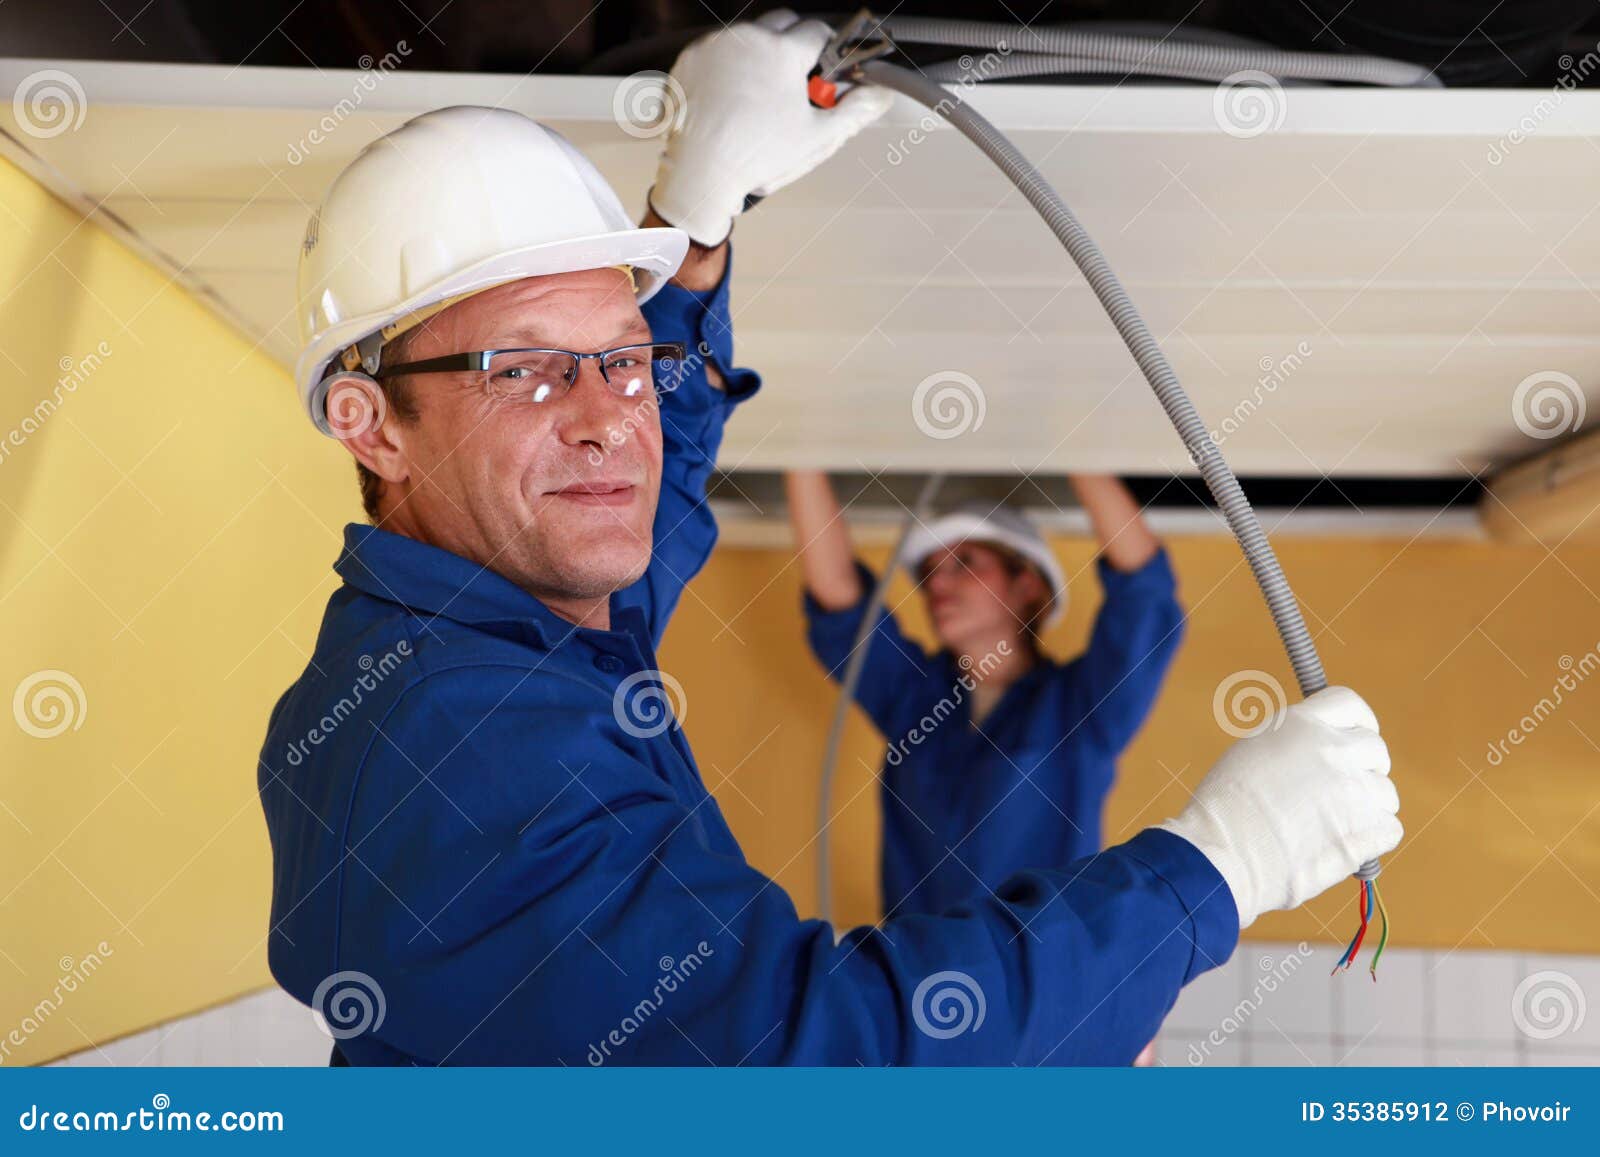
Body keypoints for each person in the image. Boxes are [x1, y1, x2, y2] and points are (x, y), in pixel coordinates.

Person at [257, 12, 1402, 1067]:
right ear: (372, 425)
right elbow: (842, 1069)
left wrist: (691, 220)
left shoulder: (523, 619)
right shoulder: (453, 738)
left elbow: (635, 470)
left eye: (622, 360)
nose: (610, 419)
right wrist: (1218, 865)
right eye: (523, 370)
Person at [787, 473, 1183, 920]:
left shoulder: (1078, 709)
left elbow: (1144, 593)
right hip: (914, 978)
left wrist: (1079, 454)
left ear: (1028, 583)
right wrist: (797, 451)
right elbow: (838, 599)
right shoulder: (914, 699)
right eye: (929, 573)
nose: (937, 585)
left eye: (965, 563)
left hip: (1036, 980)